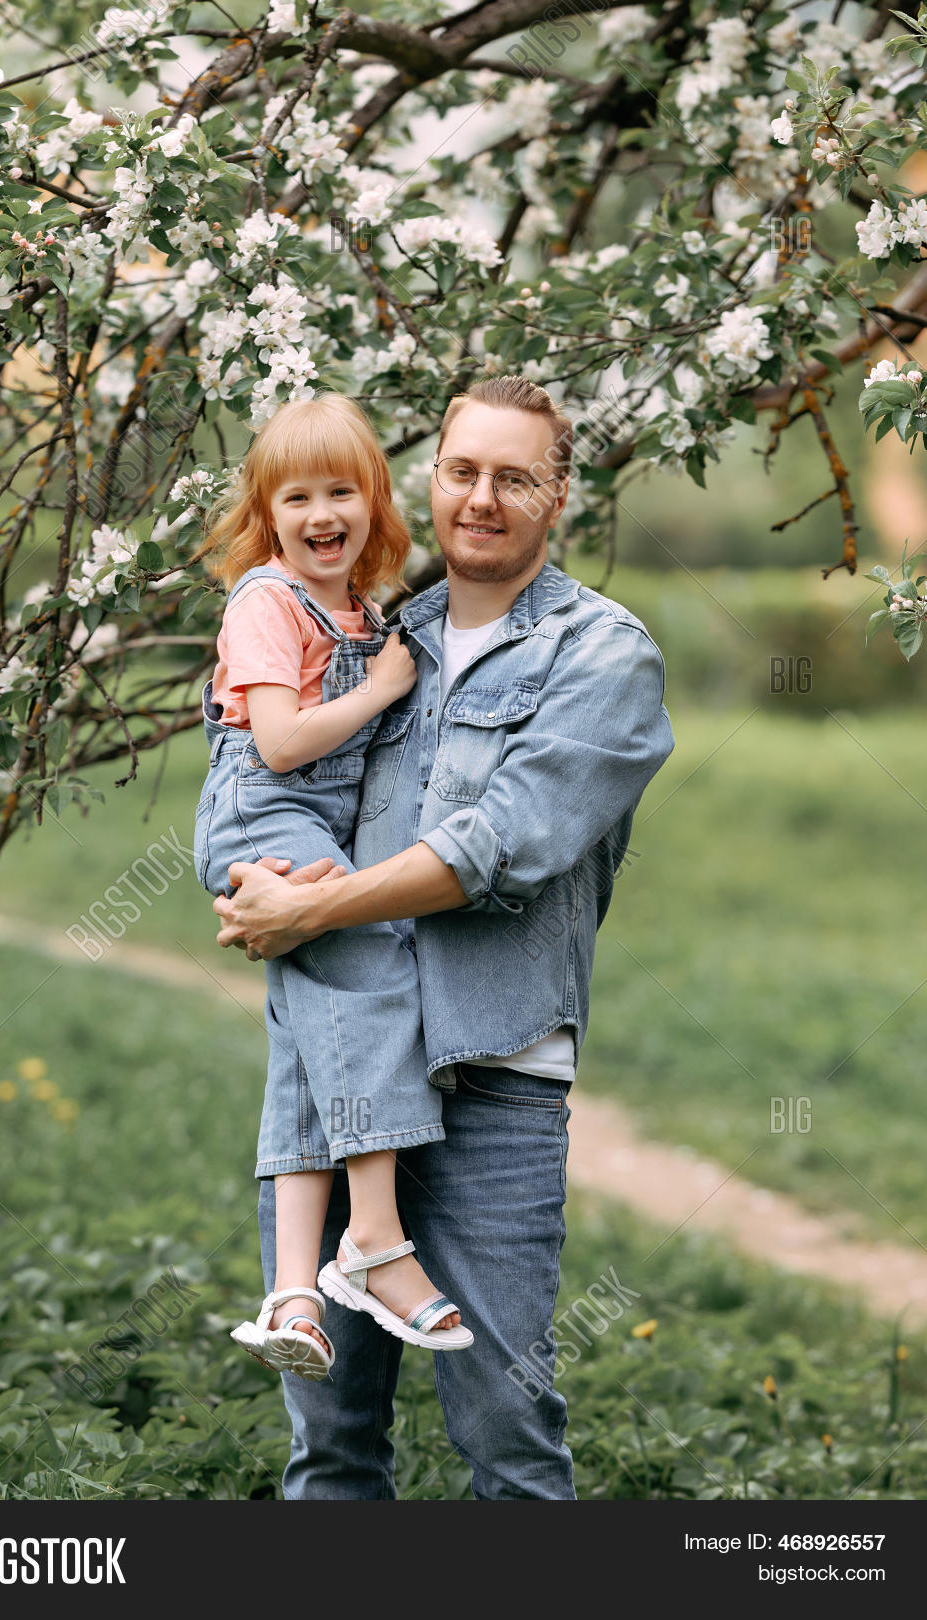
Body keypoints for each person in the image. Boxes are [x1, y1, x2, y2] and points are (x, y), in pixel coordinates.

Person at [214, 375, 676, 1498]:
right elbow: (262, 777)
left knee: (507, 1439)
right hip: (338, 1082)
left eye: (512, 477)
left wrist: (308, 908)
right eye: (461, 470)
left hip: (492, 1085)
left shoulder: (602, 657)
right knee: (329, 1443)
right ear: (431, 479)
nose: (480, 497)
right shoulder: (364, 631)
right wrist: (249, 872)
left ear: (557, 495)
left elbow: (499, 845)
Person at [192, 392, 473, 1384]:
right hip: (264, 816)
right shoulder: (266, 602)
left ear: (374, 502)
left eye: (341, 492)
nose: (321, 514)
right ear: (267, 516)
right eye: (296, 496)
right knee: (375, 964)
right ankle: (374, 1240)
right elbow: (276, 742)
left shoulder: (359, 610)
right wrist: (382, 689)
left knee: (313, 1038)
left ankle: (293, 1291)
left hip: (304, 824)